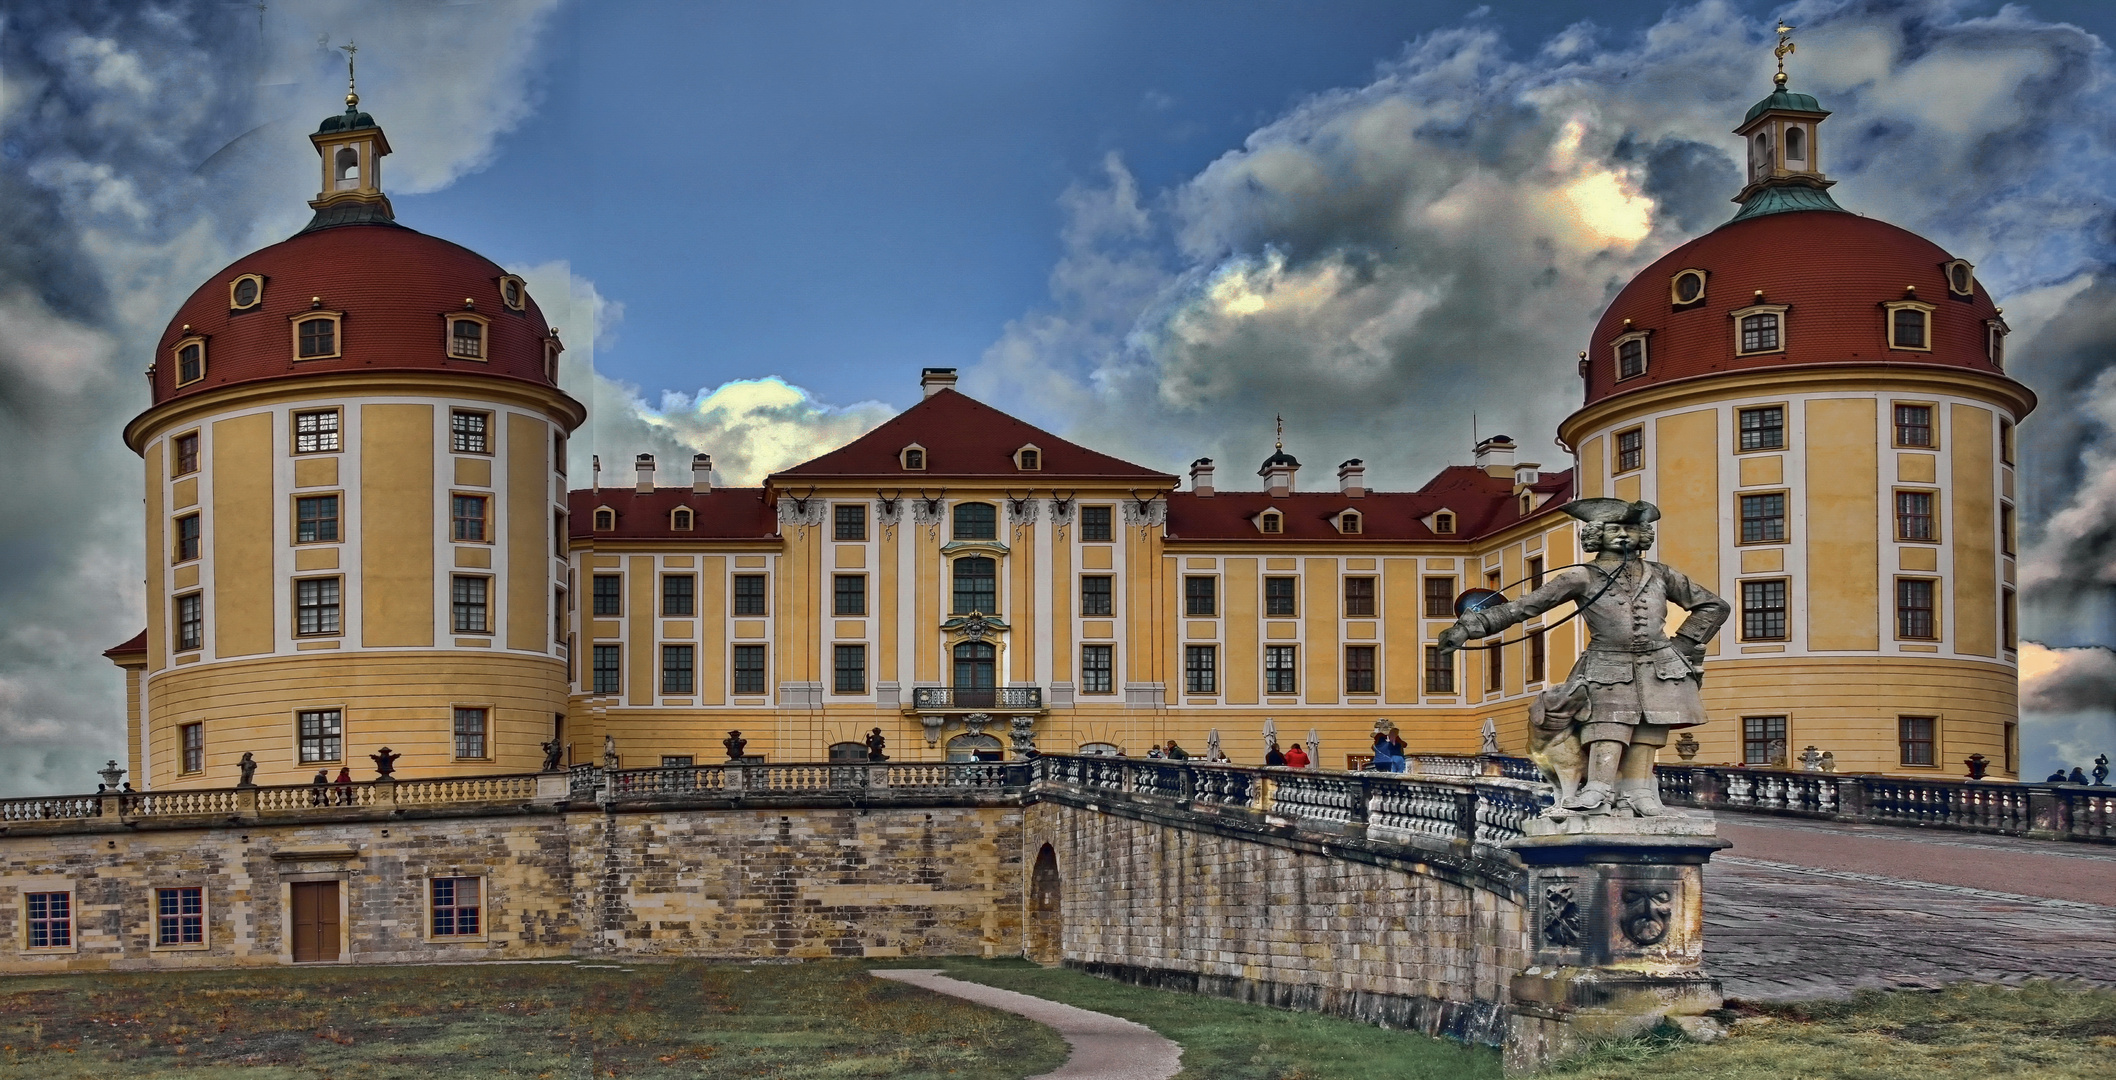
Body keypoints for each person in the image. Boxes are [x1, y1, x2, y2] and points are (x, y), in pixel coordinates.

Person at [1439, 498, 1728, 816]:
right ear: (1596, 534)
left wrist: (1683, 645)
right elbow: (1526, 606)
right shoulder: (1581, 576)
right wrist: (1472, 626)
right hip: (1607, 662)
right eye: (1613, 528)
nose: (1623, 535)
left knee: (1649, 728)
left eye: (1630, 528)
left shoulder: (1661, 574)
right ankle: (1597, 789)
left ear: (1642, 533)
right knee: (1608, 725)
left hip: (1658, 663)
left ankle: (1639, 792)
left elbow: (1714, 605)